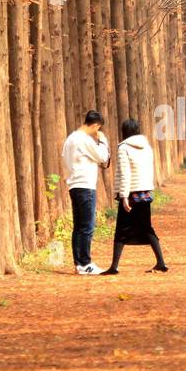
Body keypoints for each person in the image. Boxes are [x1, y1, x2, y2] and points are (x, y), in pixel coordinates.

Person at [100, 119, 168, 275]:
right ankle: (161, 263)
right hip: (145, 194)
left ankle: (114, 267)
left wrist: (124, 196)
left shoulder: (124, 148)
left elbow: (125, 173)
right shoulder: (147, 147)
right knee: (147, 228)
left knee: (121, 230)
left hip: (131, 195)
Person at [62, 110, 110, 275]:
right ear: (96, 125)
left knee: (79, 227)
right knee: (87, 226)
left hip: (74, 185)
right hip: (85, 186)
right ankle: (85, 263)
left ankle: (79, 263)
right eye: (98, 128)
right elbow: (103, 157)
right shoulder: (83, 139)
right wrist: (102, 141)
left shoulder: (70, 138)